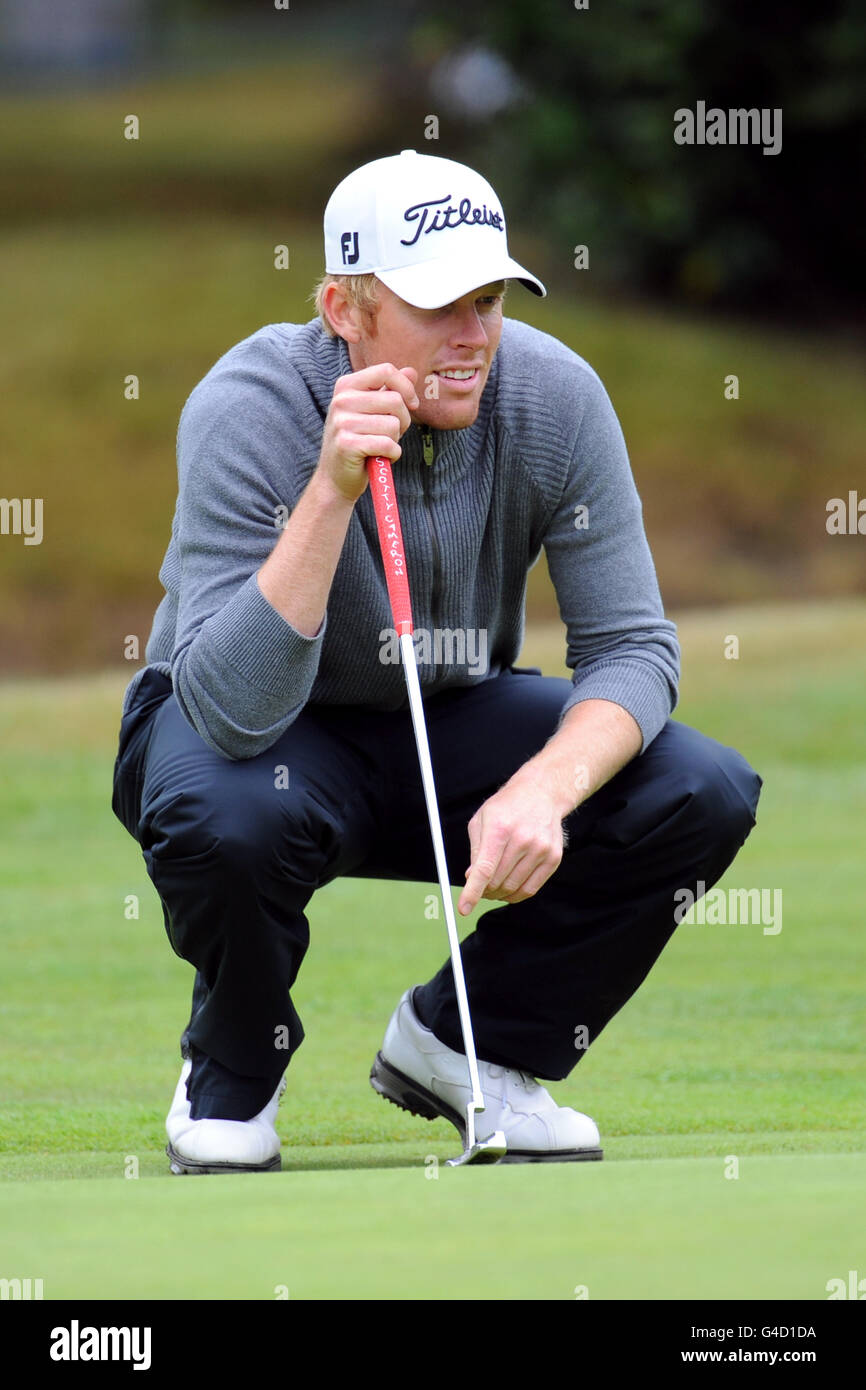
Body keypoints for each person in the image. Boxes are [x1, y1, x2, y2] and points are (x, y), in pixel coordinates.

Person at [112, 149, 761, 1173]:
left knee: (697, 786)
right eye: (436, 304)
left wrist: (545, 789)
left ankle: (469, 1046)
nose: (472, 336)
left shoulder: (553, 397)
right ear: (344, 306)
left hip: (447, 714)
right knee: (227, 816)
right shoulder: (246, 406)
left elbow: (630, 647)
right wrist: (327, 490)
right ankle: (235, 1062)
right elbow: (232, 712)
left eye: (489, 297)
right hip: (249, 726)